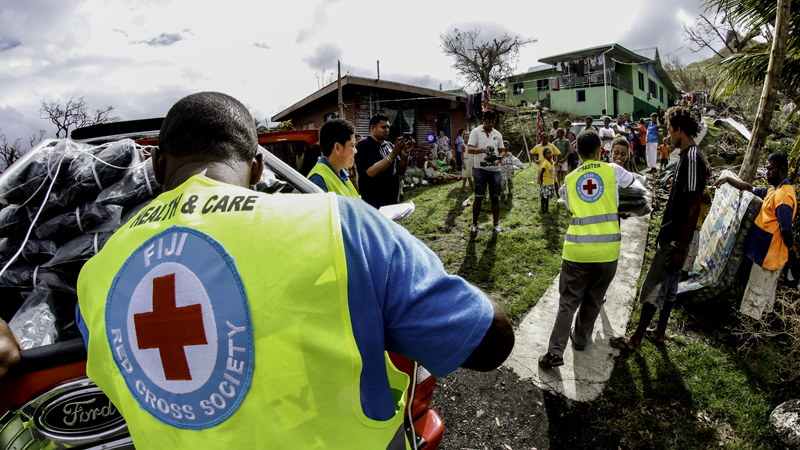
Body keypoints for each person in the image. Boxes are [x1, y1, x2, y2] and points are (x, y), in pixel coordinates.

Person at [75, 92, 514, 449]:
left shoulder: (95, 277)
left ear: (155, 167)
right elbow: (488, 342)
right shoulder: (341, 226)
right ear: (258, 166)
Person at [611, 107, 707, 351]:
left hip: (676, 239)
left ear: (679, 130)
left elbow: (695, 207)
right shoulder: (687, 157)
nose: (668, 136)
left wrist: (681, 248)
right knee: (670, 287)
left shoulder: (693, 157)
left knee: (654, 284)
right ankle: (660, 332)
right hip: (673, 235)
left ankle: (635, 339)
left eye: (670, 130)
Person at [539, 130, 635, 368]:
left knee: (568, 301)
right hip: (608, 251)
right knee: (593, 298)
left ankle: (555, 352)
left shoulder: (571, 179)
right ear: (601, 151)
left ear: (578, 152)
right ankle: (581, 340)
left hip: (577, 251)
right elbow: (636, 188)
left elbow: (571, 207)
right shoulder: (614, 171)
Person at [714, 153, 797, 320]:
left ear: (782, 170)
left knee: (755, 295)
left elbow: (786, 230)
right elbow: (751, 188)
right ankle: (754, 335)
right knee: (764, 296)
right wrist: (729, 180)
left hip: (769, 255)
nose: (767, 172)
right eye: (766, 168)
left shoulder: (783, 196)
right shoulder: (775, 190)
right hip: (767, 253)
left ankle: (744, 335)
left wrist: (792, 252)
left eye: (770, 169)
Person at [355, 114, 414, 208]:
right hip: (373, 201)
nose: (387, 130)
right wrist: (394, 153)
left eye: (388, 127)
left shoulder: (389, 145)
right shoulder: (364, 145)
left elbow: (400, 171)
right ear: (372, 128)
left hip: (391, 200)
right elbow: (371, 171)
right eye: (384, 127)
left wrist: (405, 153)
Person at [467, 109, 507, 236]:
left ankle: (496, 225)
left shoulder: (497, 134)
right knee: (478, 197)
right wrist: (483, 150)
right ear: (483, 120)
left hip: (495, 170)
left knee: (495, 197)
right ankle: (474, 224)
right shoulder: (476, 132)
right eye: (489, 122)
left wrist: (499, 158)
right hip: (480, 169)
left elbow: (502, 150)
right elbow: (470, 149)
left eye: (493, 122)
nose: (491, 124)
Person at [306, 118, 360, 198]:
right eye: (352, 146)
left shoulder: (340, 173)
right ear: (337, 147)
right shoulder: (318, 180)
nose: (355, 151)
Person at [538, 146, 559, 215]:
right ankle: (543, 211)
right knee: (543, 198)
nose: (550, 154)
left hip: (551, 183)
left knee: (547, 198)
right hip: (545, 183)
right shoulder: (545, 163)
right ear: (544, 156)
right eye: (548, 154)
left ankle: (547, 209)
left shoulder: (552, 162)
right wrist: (541, 182)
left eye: (551, 153)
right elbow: (541, 173)